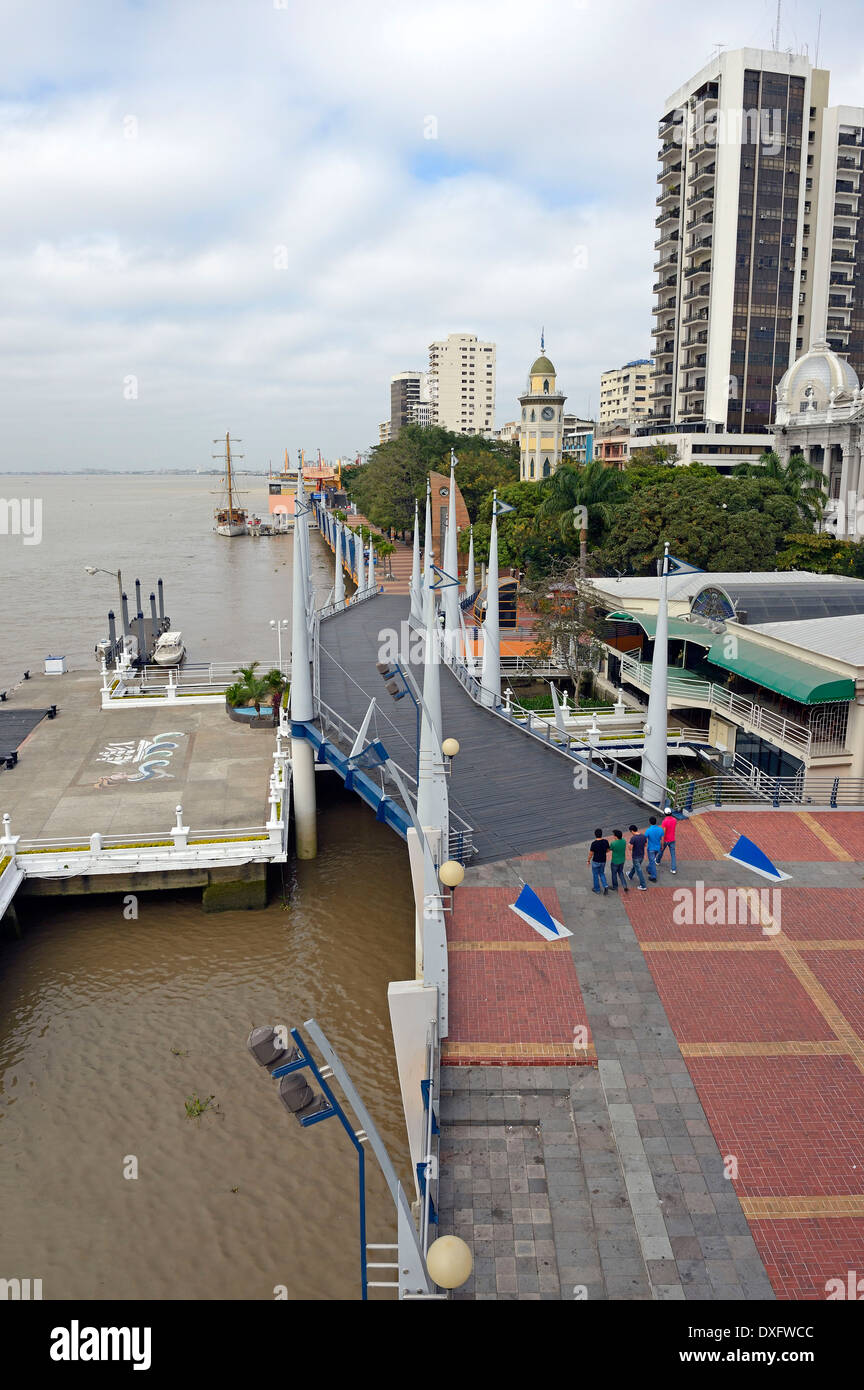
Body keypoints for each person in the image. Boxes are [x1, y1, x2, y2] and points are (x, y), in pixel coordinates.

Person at [587, 828, 610, 895]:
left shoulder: (594, 843)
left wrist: (588, 860)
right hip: (603, 860)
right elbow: (608, 850)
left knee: (595, 875)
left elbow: (591, 853)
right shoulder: (605, 841)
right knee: (602, 873)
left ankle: (597, 889)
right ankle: (605, 886)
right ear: (601, 834)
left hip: (596, 861)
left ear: (595, 835)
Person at [657, 805, 678, 873]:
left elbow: (664, 833)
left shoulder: (664, 822)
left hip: (666, 840)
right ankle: (673, 869)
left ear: (665, 814)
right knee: (673, 855)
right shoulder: (674, 820)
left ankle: (657, 861)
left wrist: (662, 842)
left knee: (661, 851)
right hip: (672, 839)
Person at [627, 823, 648, 889]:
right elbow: (645, 845)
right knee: (636, 866)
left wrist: (628, 845)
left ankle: (643, 885)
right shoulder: (643, 836)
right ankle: (630, 875)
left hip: (635, 856)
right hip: (641, 855)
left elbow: (630, 848)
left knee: (639, 870)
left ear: (632, 831)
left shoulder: (633, 838)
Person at [644, 816, 664, 881]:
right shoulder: (660, 829)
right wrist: (662, 846)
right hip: (657, 848)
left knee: (652, 862)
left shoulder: (648, 830)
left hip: (650, 848)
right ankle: (649, 868)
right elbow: (662, 840)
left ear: (650, 822)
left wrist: (644, 844)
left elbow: (645, 839)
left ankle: (653, 876)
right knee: (652, 860)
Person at [609, 829, 629, 893]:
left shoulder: (613, 843)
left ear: (616, 836)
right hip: (622, 860)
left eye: (614, 835)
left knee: (614, 874)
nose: (613, 836)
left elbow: (609, 849)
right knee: (620, 872)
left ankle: (615, 886)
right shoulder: (624, 841)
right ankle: (625, 885)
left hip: (615, 861)